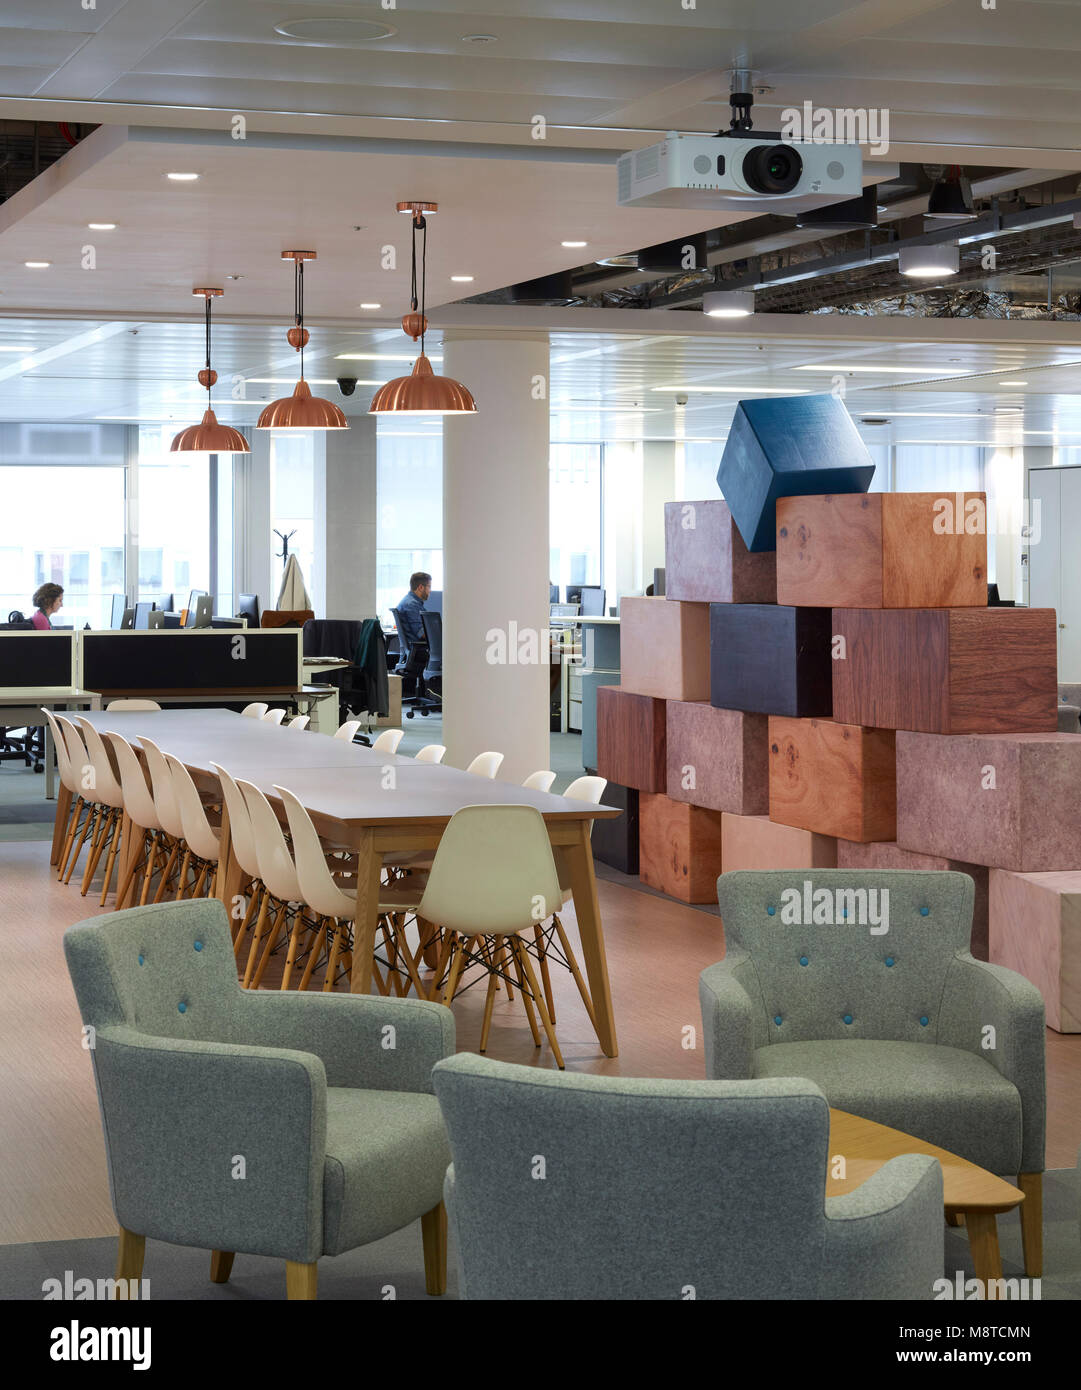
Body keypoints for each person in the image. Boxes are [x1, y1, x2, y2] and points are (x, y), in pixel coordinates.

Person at [396, 571, 431, 650]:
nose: (430, 590)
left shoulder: (408, 601)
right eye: (429, 587)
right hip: (418, 651)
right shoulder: (412, 605)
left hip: (412, 650)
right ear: (421, 587)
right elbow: (421, 633)